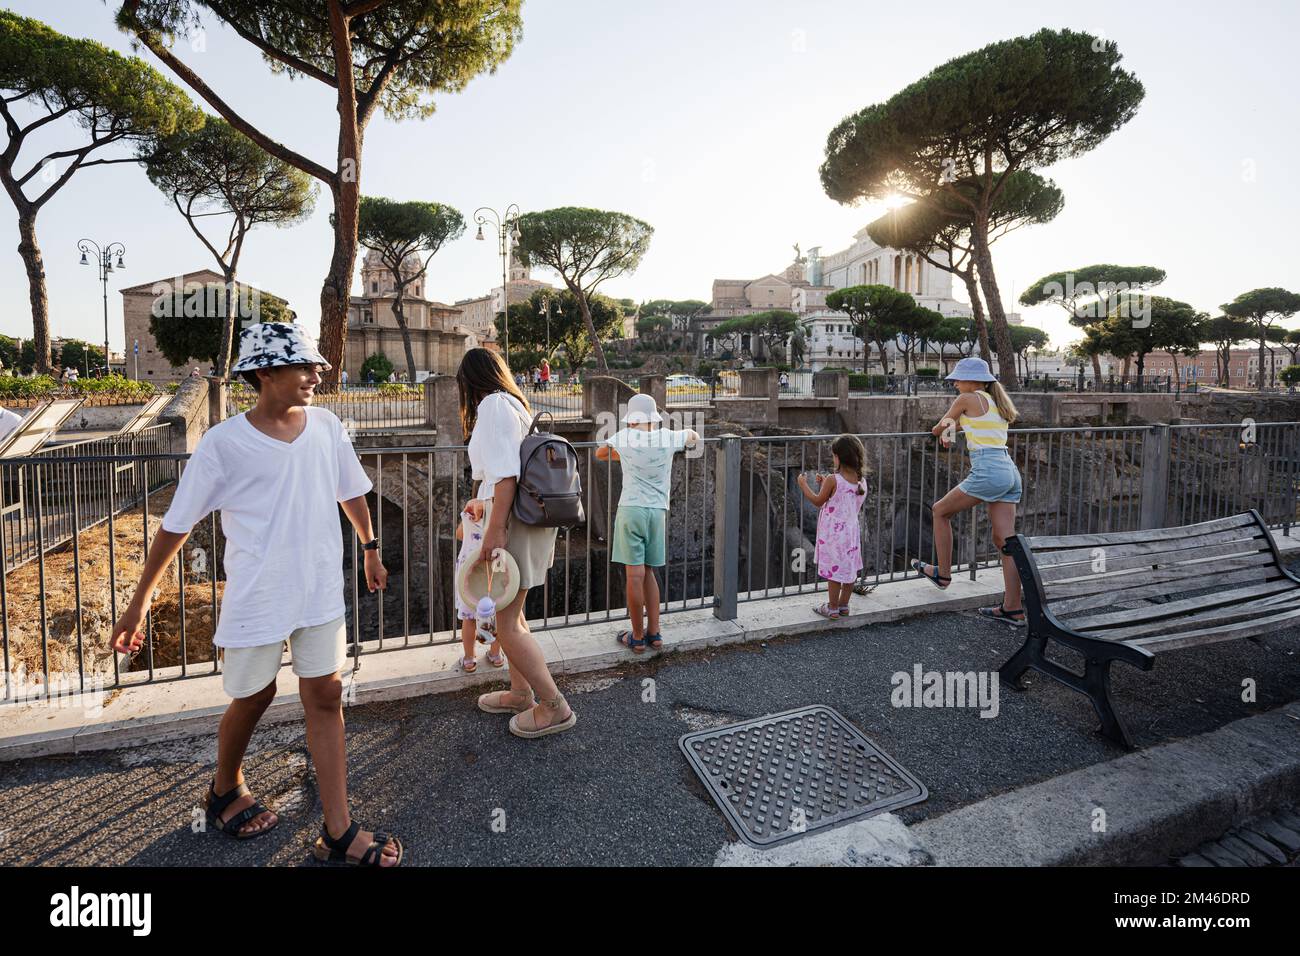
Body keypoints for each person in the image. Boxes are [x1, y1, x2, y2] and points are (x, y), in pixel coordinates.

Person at [110, 321, 403, 866]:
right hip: (258, 596)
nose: (319, 373)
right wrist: (139, 601)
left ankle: (338, 830)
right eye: (304, 365)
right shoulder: (224, 443)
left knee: (327, 694)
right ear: (265, 373)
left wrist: (370, 547)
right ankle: (225, 787)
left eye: (317, 365)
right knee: (254, 695)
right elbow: (175, 525)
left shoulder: (328, 427)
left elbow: (353, 491)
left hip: (319, 590)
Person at [458, 347, 576, 738]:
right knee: (514, 615)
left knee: (505, 623)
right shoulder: (511, 402)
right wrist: (482, 503)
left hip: (513, 522)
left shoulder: (492, 405)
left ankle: (554, 706)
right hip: (522, 518)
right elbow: (505, 472)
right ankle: (521, 692)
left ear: (471, 381)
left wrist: (495, 530)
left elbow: (507, 474)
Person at [910, 357, 1024, 626]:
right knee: (1005, 542)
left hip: (988, 470)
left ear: (972, 381)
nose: (955, 384)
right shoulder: (996, 402)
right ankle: (1013, 608)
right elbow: (966, 426)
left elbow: (940, 427)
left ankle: (943, 574)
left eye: (958, 380)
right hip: (1009, 471)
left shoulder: (967, 399)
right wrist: (952, 429)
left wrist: (941, 431)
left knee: (939, 511)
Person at [595, 394, 699, 653]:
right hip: (657, 512)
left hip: (631, 510)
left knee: (634, 576)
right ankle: (655, 633)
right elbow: (693, 436)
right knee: (650, 573)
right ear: (654, 417)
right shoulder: (667, 437)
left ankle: (637, 637)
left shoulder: (624, 436)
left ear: (631, 419)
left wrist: (627, 456)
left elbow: (600, 453)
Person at [797, 435, 868, 618]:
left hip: (833, 535)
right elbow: (846, 503)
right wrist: (825, 486)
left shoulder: (833, 479)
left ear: (838, 457)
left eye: (833, 455)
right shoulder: (861, 481)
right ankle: (844, 605)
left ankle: (832, 607)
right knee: (848, 568)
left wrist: (804, 485)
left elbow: (819, 501)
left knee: (834, 571)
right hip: (851, 533)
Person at [453, 502, 505, 672]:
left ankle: (469, 659)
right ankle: (495, 655)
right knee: (495, 615)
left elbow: (459, 534)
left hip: (468, 575)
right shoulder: (501, 516)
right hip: (494, 573)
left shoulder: (469, 512)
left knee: (469, 619)